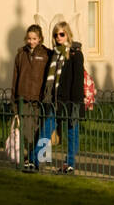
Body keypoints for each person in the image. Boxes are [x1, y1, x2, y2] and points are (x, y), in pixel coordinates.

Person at [40, 20, 85, 173]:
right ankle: (38, 159)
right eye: (56, 34)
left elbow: (77, 81)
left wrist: (76, 103)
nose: (58, 37)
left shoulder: (75, 54)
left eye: (61, 34)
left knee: (72, 132)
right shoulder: (54, 54)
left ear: (68, 35)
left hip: (71, 101)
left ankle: (69, 164)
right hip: (55, 99)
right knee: (47, 128)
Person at [11, 24, 52, 172]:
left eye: (34, 38)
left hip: (40, 100)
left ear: (40, 39)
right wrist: (14, 102)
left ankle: (41, 163)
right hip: (24, 99)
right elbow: (15, 79)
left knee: (41, 132)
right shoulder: (21, 54)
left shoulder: (47, 54)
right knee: (26, 133)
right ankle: (27, 159)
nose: (31, 41)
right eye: (29, 38)